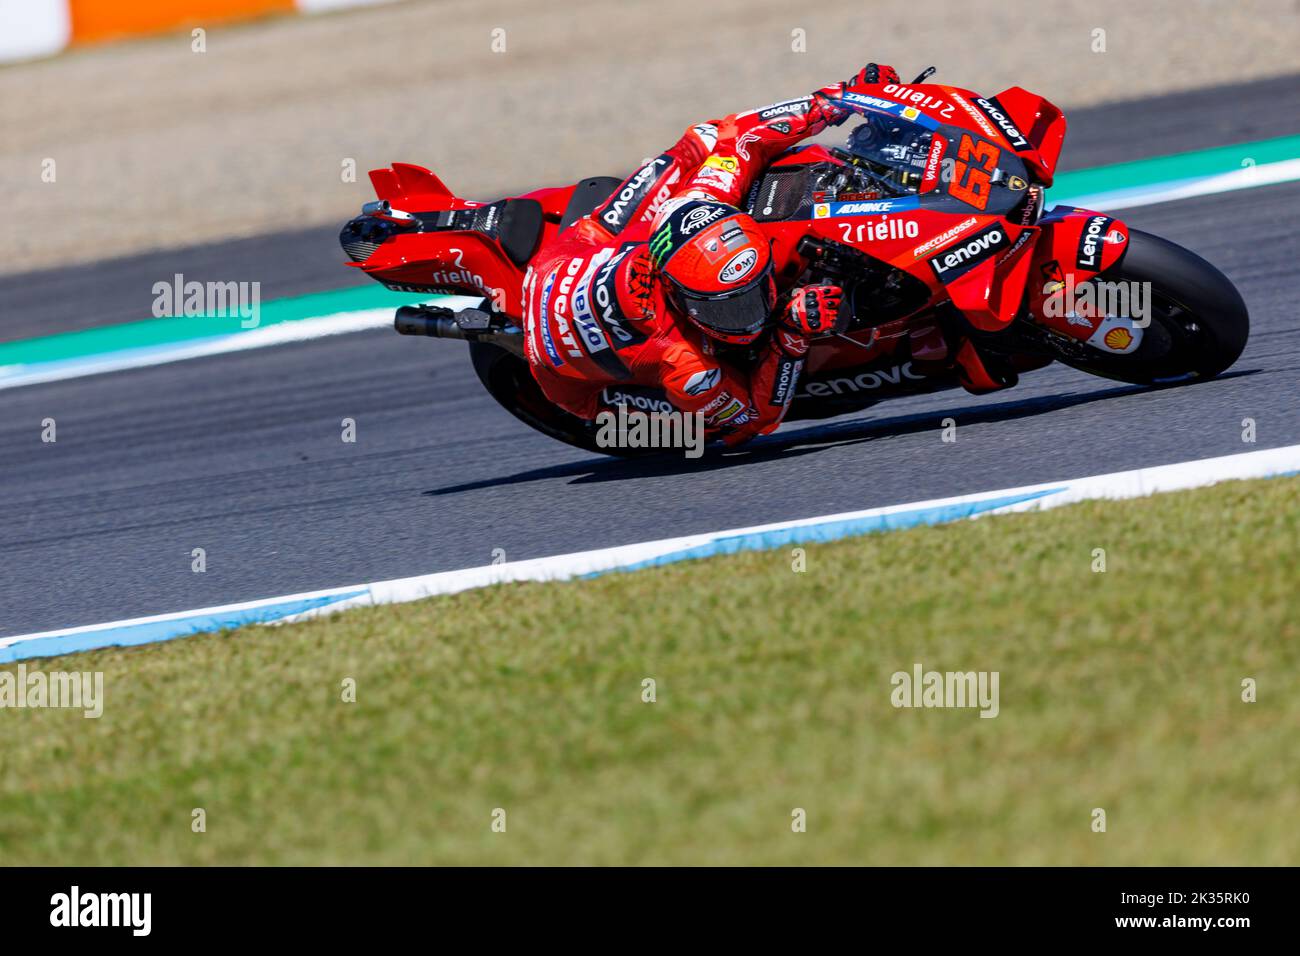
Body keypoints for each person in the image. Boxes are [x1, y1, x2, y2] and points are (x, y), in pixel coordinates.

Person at [522, 64, 901, 447]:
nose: (753, 316)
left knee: (702, 140)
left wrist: (842, 99)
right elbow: (758, 420)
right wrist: (790, 335)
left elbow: (740, 135)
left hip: (588, 245)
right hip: (568, 374)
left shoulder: (700, 200)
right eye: (729, 309)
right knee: (710, 432)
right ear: (678, 296)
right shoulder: (685, 364)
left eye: (753, 294)